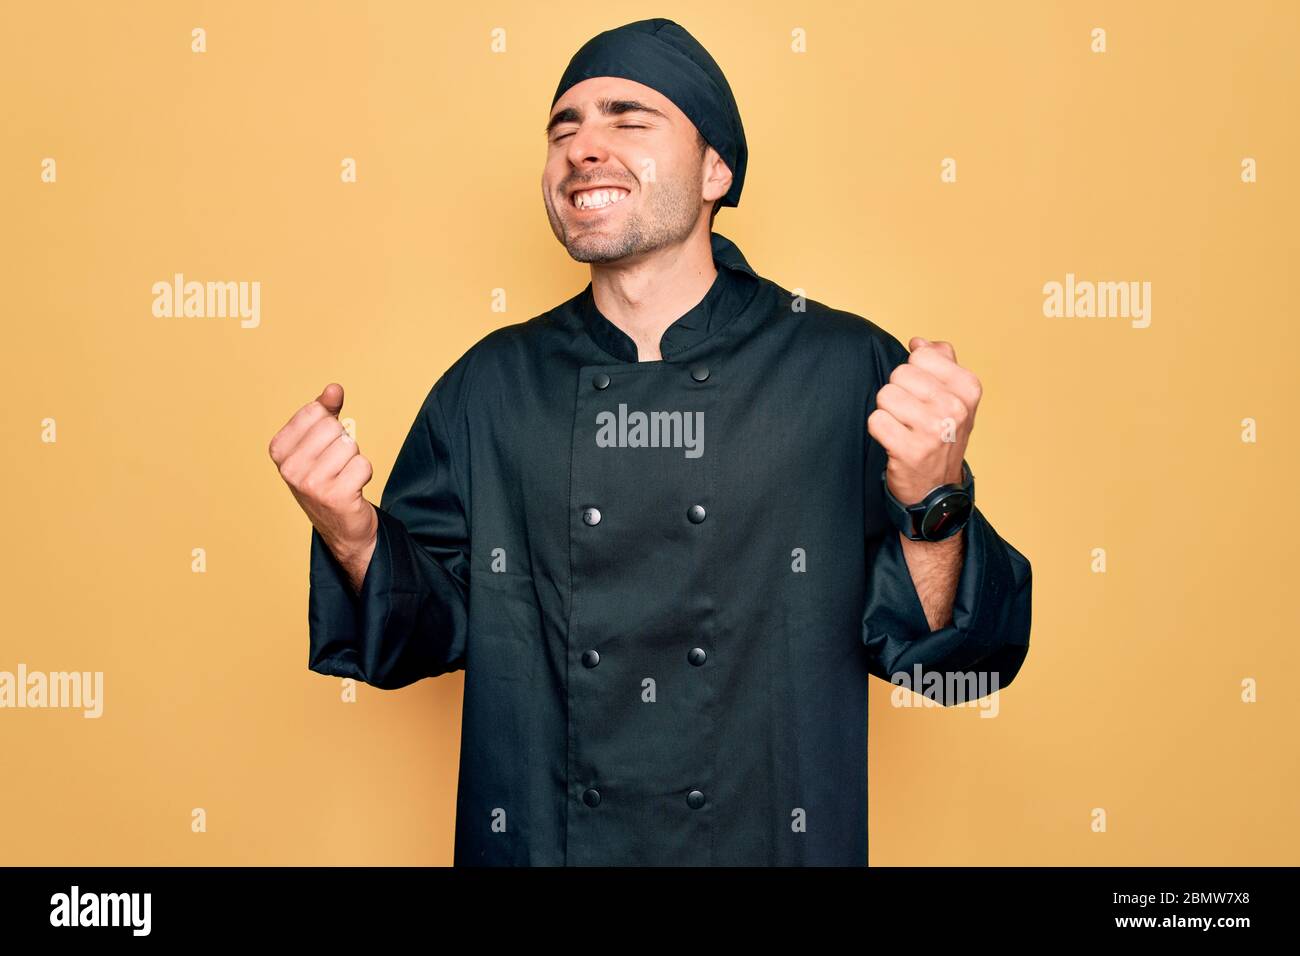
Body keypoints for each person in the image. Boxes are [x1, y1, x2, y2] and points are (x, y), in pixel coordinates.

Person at [268, 17, 1032, 866]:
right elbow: (424, 636)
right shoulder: (490, 384)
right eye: (565, 127)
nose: (583, 149)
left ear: (716, 170)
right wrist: (352, 532)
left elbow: (947, 662)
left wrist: (936, 500)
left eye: (629, 120)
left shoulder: (845, 366)